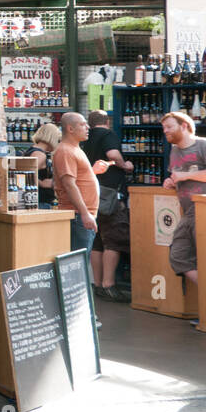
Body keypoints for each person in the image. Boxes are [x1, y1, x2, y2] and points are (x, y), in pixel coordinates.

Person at [82, 109, 133, 301]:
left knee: (97, 242)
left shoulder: (84, 138)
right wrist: (124, 165)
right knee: (114, 238)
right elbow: (113, 153)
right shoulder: (107, 134)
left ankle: (97, 284)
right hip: (110, 195)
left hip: (91, 194)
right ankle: (109, 284)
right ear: (107, 122)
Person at [161, 111, 206, 300]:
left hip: (205, 210)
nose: (165, 131)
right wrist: (171, 182)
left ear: (184, 126)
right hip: (188, 212)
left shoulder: (203, 145)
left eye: (169, 127)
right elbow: (177, 176)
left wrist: (185, 176)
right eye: (164, 128)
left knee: (205, 257)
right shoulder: (174, 151)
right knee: (178, 256)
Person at [52, 112, 99, 259]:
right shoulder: (65, 150)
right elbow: (69, 184)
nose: (88, 127)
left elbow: (76, 180)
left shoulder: (75, 149)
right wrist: (84, 213)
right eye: (82, 124)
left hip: (81, 216)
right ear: (70, 129)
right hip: (77, 216)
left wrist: (93, 172)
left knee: (79, 264)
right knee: (76, 266)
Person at [27, 122, 60, 208]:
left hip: (39, 200)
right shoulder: (40, 154)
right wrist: (41, 183)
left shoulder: (34, 151)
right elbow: (27, 173)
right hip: (40, 200)